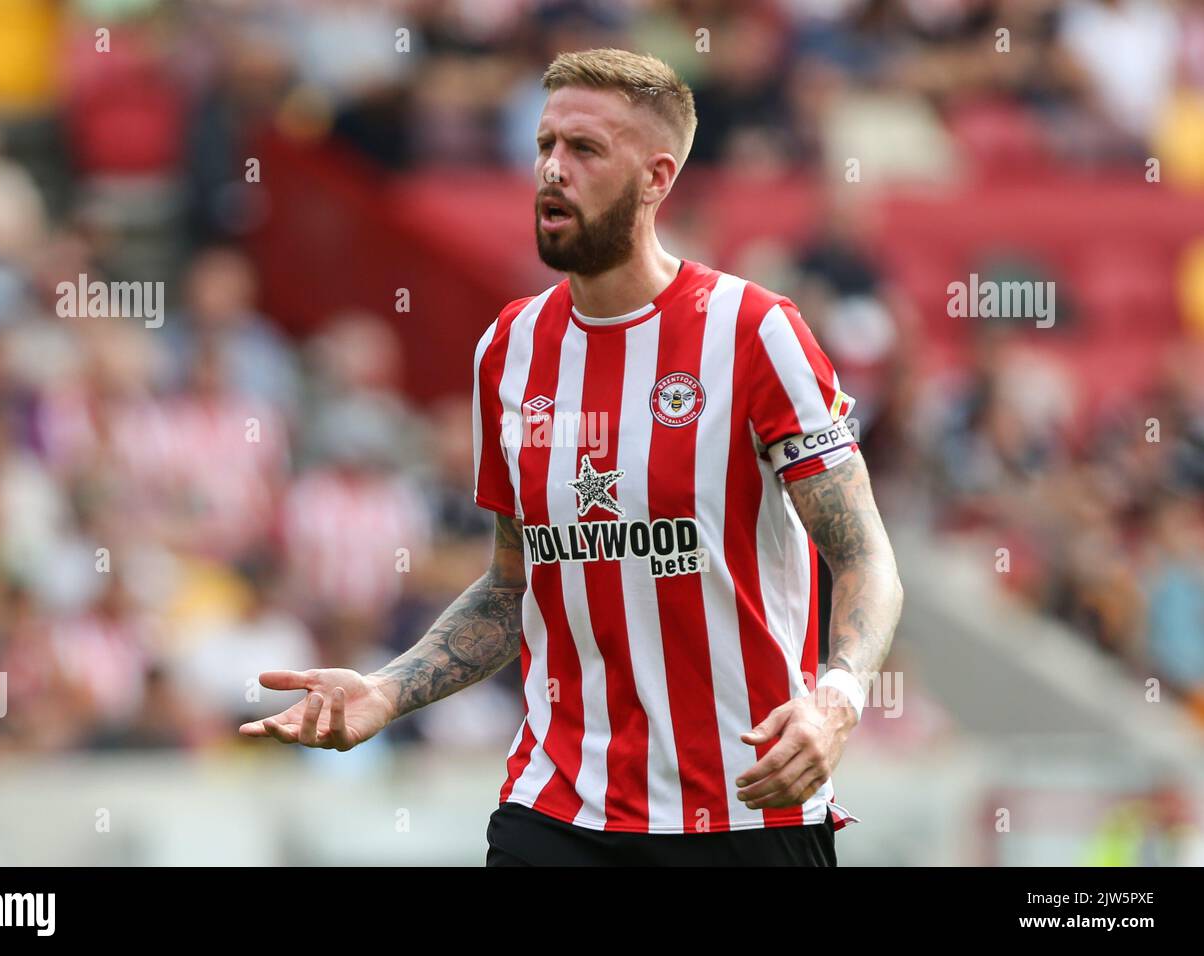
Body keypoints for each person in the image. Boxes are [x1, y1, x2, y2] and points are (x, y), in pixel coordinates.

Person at [240, 48, 904, 867]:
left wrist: (834, 701)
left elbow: (865, 555)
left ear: (657, 178)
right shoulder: (510, 347)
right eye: (546, 145)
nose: (553, 170)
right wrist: (389, 689)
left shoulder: (754, 333)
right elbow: (512, 586)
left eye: (585, 150)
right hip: (557, 813)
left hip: (744, 813)